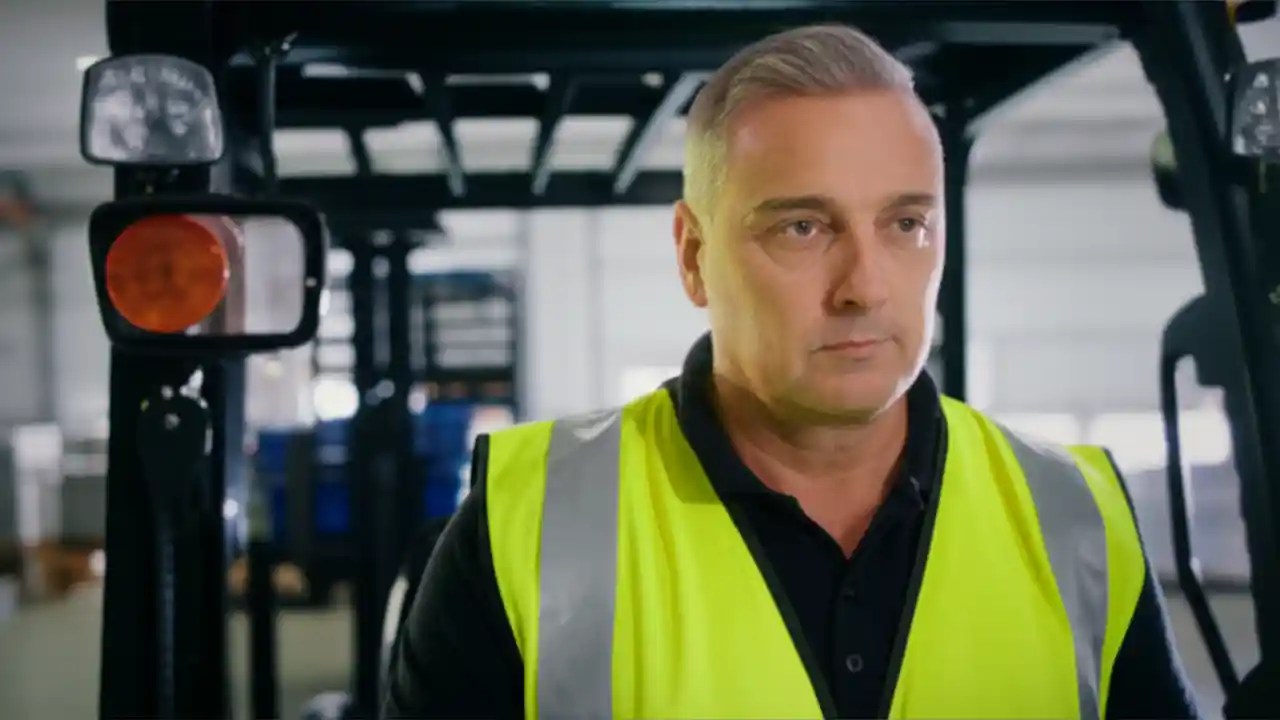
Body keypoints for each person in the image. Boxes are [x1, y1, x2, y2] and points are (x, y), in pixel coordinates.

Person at [385, 24, 1199, 719]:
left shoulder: (1075, 518)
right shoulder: (527, 529)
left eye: (906, 223)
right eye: (803, 228)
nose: (865, 287)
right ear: (694, 255)